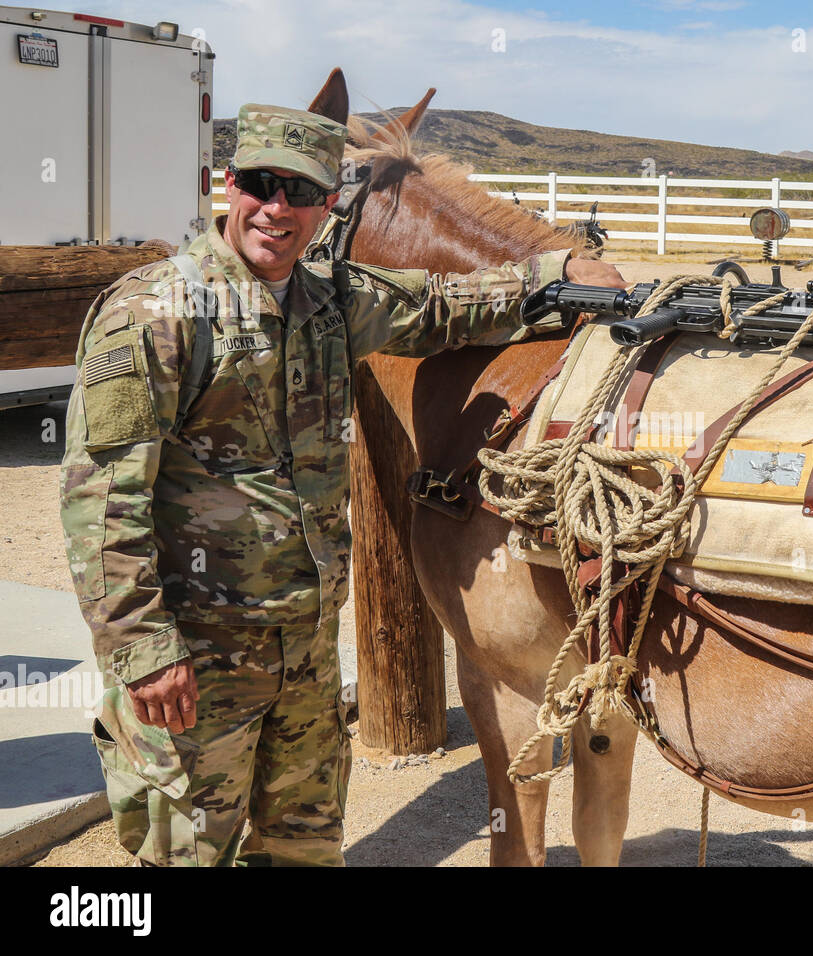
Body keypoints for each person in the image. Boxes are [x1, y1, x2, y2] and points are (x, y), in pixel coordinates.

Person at [59, 103, 624, 865]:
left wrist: (555, 273)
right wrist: (142, 647)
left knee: (305, 849)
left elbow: (444, 306)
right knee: (190, 854)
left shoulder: (329, 299)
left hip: (305, 655)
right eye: (261, 185)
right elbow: (100, 503)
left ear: (330, 206)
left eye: (301, 192)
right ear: (229, 185)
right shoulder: (156, 314)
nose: (277, 209)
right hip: (196, 659)